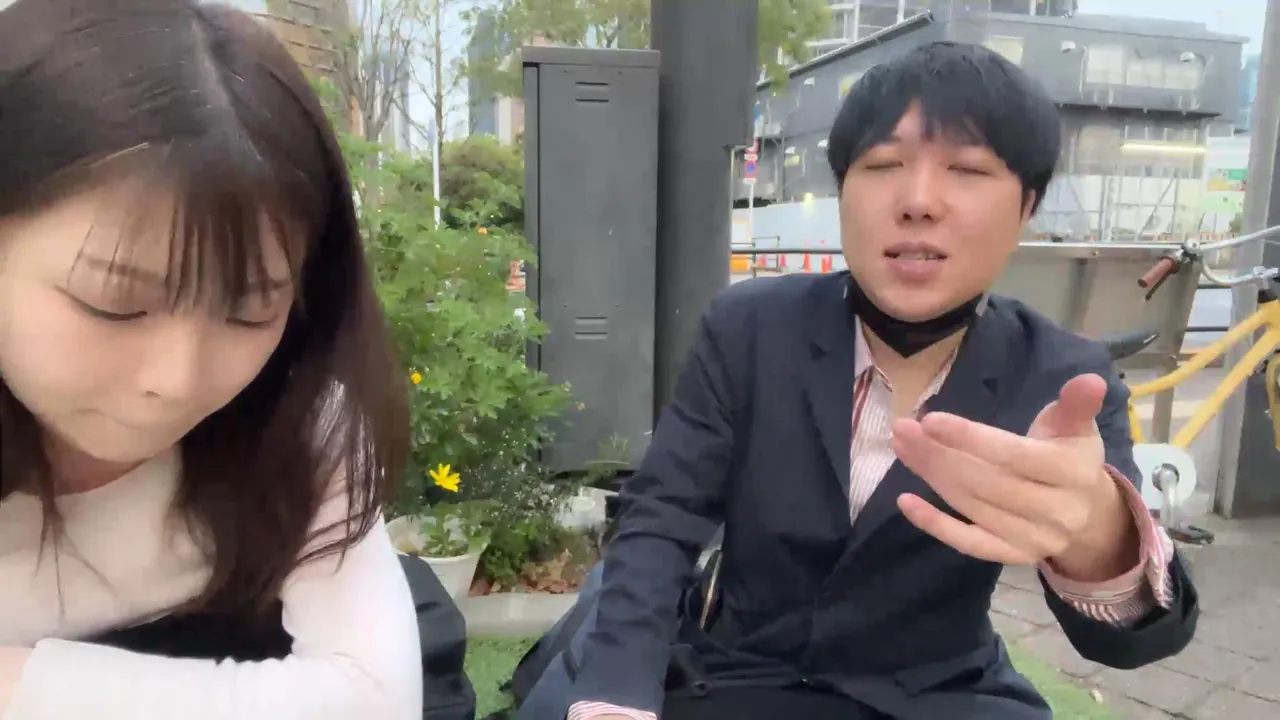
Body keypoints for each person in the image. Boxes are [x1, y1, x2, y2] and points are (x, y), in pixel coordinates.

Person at [531, 42, 1199, 720]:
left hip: (940, 695)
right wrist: (617, 692)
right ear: (842, 192)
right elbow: (662, 520)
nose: (918, 202)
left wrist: (1099, 538)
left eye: (967, 169)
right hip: (734, 679)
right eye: (882, 166)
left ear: (1026, 207)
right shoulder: (749, 329)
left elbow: (1136, 641)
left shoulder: (1063, 378)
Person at [0, 0, 425, 717]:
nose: (179, 380)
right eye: (114, 304)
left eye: (250, 312)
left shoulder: (296, 417)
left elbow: (374, 700)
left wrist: (20, 686)